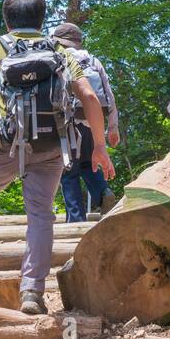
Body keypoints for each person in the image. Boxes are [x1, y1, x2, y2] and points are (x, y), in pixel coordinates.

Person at [0, 0, 115, 315]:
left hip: (6, 144)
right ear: (42, 19)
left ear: (6, 19)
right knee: (41, 215)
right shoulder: (60, 49)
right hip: (51, 145)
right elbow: (89, 97)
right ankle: (32, 292)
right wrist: (99, 147)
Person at [50, 22, 120, 222]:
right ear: (79, 42)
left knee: (68, 172)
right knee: (91, 164)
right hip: (93, 122)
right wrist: (112, 127)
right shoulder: (93, 61)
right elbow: (109, 95)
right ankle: (104, 191)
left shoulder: (58, 59)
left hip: (69, 124)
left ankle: (76, 220)